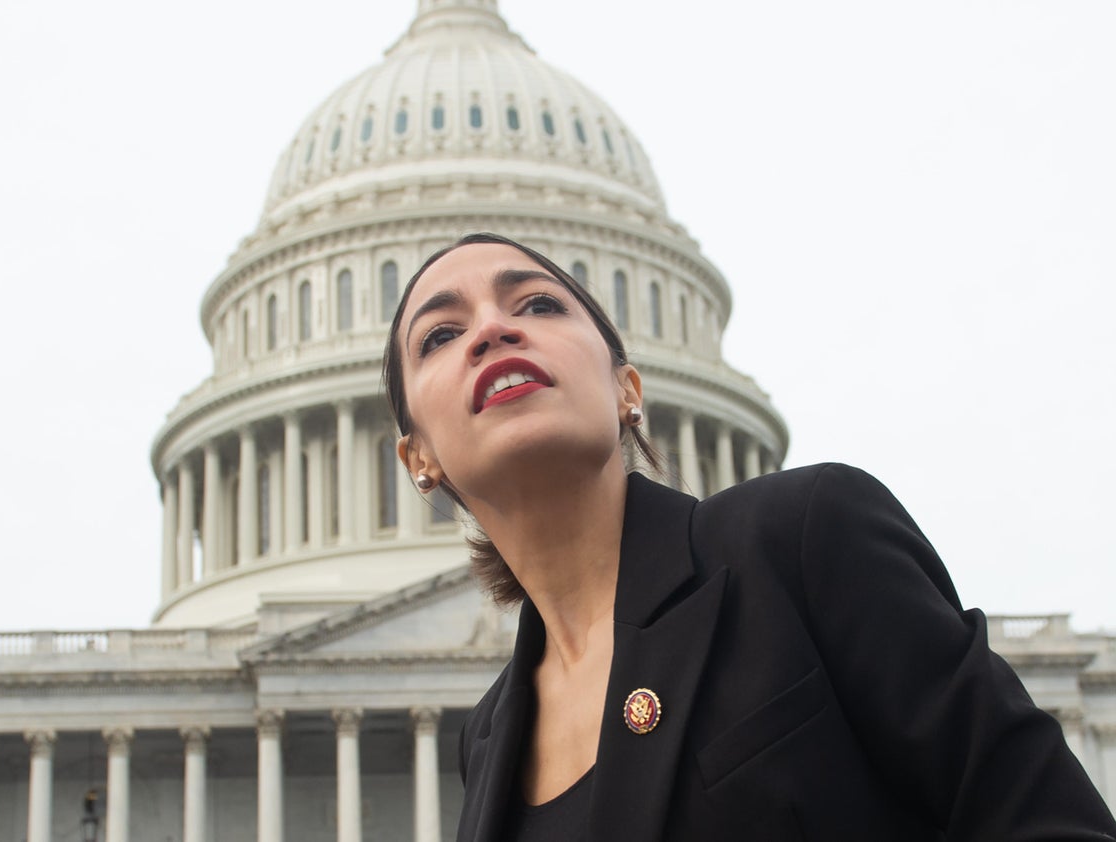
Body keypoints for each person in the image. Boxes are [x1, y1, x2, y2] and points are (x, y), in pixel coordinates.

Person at [382, 232, 1116, 841]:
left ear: (626, 390)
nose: (492, 329)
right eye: (442, 334)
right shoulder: (484, 742)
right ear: (419, 458)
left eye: (539, 303)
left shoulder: (803, 537)